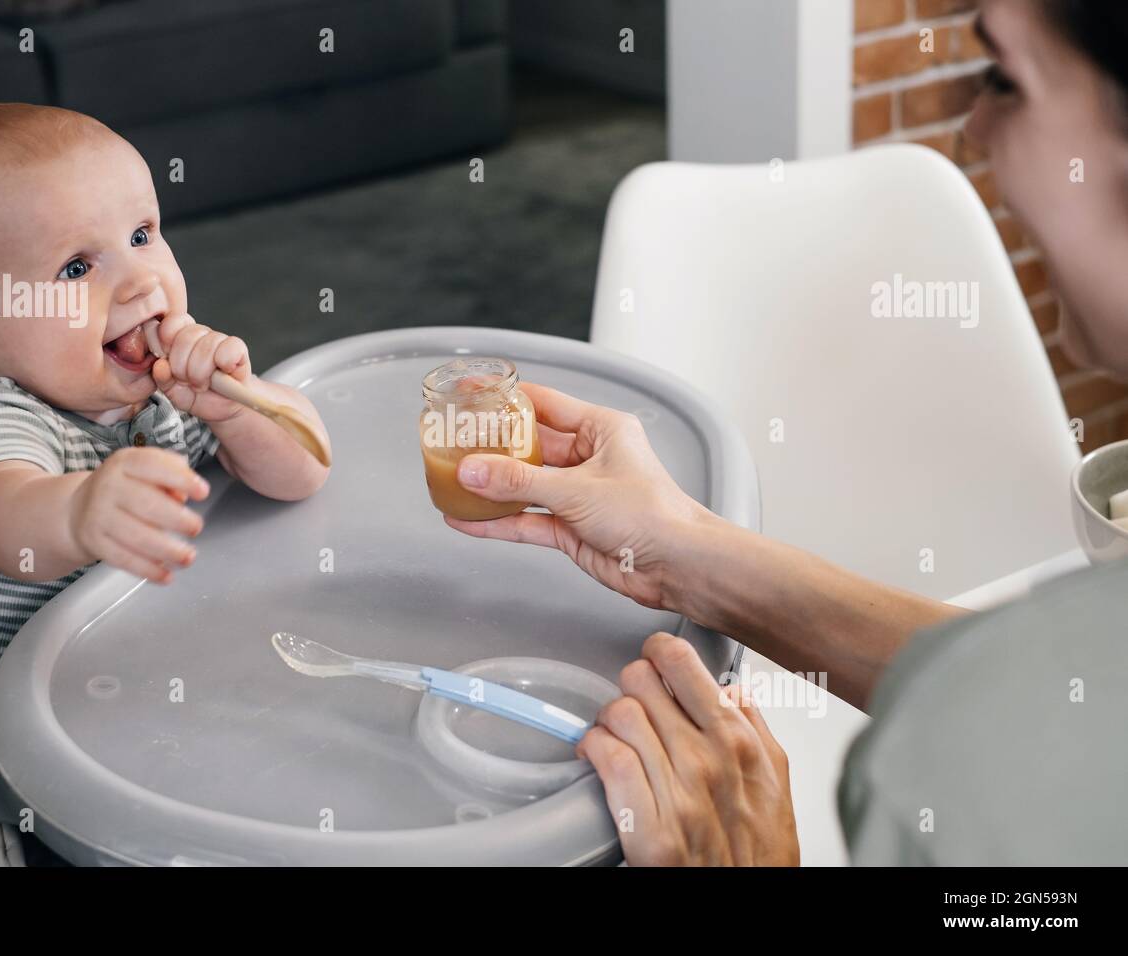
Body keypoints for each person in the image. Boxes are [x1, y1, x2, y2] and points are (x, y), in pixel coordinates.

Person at [445, 0, 1128, 866]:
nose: (976, 125)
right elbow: (1051, 694)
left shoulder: (951, 795)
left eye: (1005, 79)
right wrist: (680, 547)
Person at [0, 102, 331, 863]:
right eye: (77, 268)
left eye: (143, 235)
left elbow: (303, 472)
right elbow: (2, 517)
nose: (141, 279)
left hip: (91, 680)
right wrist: (81, 511)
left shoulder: (157, 386)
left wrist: (240, 407)